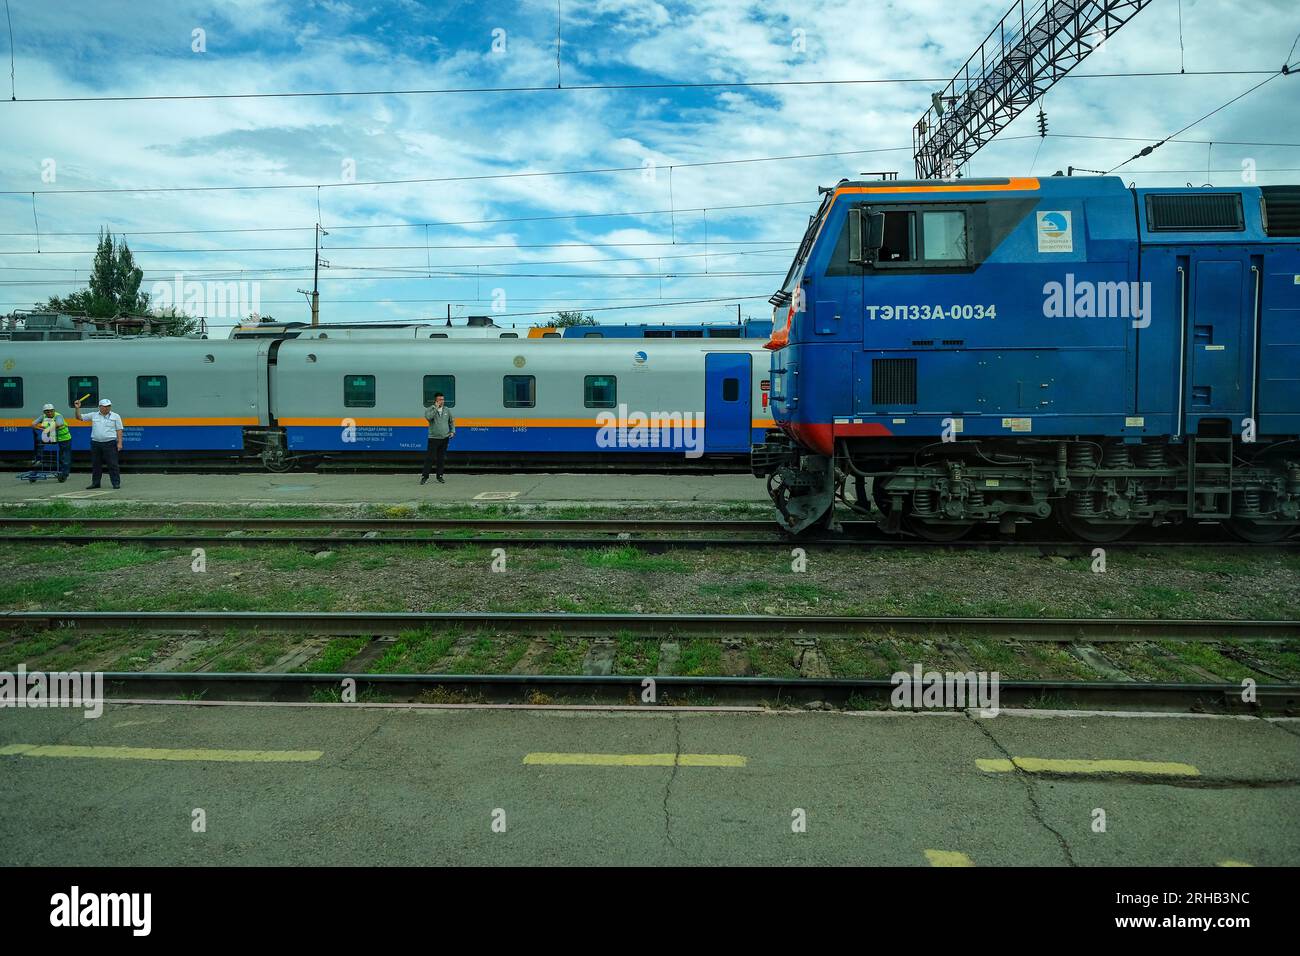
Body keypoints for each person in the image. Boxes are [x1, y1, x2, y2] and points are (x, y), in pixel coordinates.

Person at [72, 397, 124, 490]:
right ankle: (96, 483)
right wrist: (77, 408)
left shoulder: (116, 416)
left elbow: (119, 430)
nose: (107, 408)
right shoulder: (94, 415)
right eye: (104, 406)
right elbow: (79, 418)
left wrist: (119, 443)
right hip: (96, 443)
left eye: (108, 406)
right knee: (96, 464)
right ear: (99, 407)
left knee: (113, 464)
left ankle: (116, 483)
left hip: (110, 443)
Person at [31, 403, 72, 481]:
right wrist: (41, 428)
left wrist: (47, 428)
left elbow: (59, 424)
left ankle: (64, 474)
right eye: (47, 412)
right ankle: (37, 462)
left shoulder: (58, 416)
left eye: (51, 411)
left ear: (54, 411)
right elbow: (33, 424)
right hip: (52, 438)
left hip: (64, 438)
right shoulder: (43, 416)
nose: (49, 413)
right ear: (44, 412)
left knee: (64, 457)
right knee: (40, 448)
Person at [421, 391, 455, 484]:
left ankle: (440, 476)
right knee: (430, 458)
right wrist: (436, 408)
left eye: (443, 399)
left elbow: (451, 421)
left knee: (441, 458)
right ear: (435, 401)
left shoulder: (447, 410)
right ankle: (425, 477)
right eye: (440, 400)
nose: (442, 401)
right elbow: (428, 418)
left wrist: (452, 431)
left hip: (445, 438)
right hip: (433, 438)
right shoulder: (430, 410)